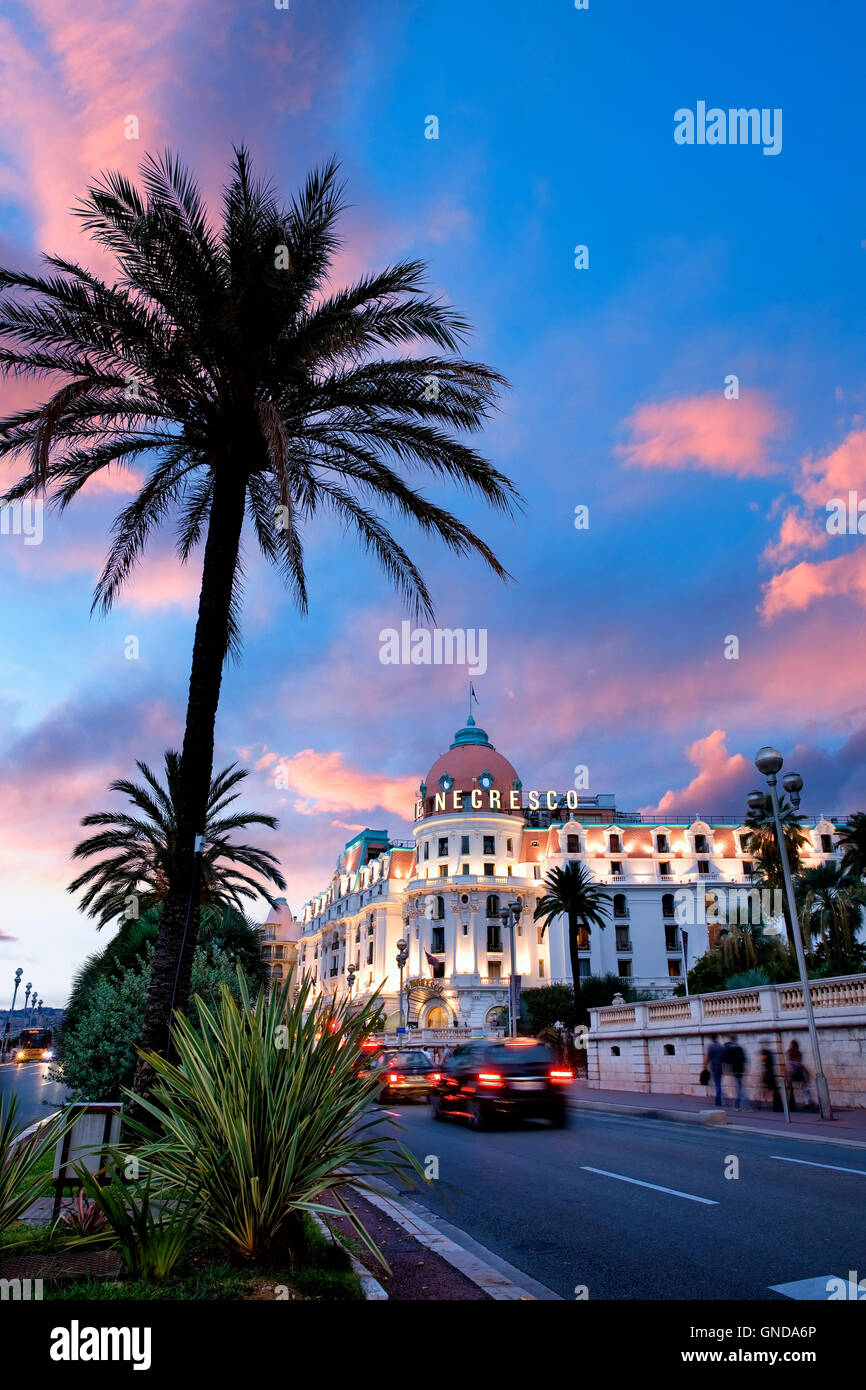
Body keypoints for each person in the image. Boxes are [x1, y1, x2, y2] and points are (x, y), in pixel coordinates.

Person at [722, 1035, 748, 1110]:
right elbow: (744, 1059)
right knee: (739, 1087)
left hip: (734, 1069)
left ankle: (742, 1105)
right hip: (741, 1069)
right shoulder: (739, 1047)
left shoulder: (728, 1048)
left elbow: (726, 1059)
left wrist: (726, 1068)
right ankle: (740, 1104)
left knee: (739, 1088)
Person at [786, 1039, 813, 1109]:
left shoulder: (789, 1052)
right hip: (800, 1071)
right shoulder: (799, 1053)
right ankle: (807, 1102)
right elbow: (799, 1063)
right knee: (805, 1087)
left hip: (794, 1073)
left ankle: (791, 1102)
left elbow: (789, 1064)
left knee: (789, 1087)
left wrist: (788, 1074)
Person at [759, 1046, 783, 1111]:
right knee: (774, 1091)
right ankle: (778, 1106)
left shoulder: (766, 1059)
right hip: (771, 1075)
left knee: (773, 1091)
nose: (761, 1056)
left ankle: (777, 1106)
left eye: (762, 1055)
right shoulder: (770, 1058)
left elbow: (763, 1066)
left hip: (769, 1076)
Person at [705, 1034, 725, 1107]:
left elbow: (708, 1057)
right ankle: (719, 1098)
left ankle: (718, 1101)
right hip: (720, 1068)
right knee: (718, 1084)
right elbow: (723, 1058)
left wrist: (704, 1065)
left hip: (714, 1068)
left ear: (711, 1038)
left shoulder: (711, 1046)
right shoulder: (720, 1047)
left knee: (717, 1085)